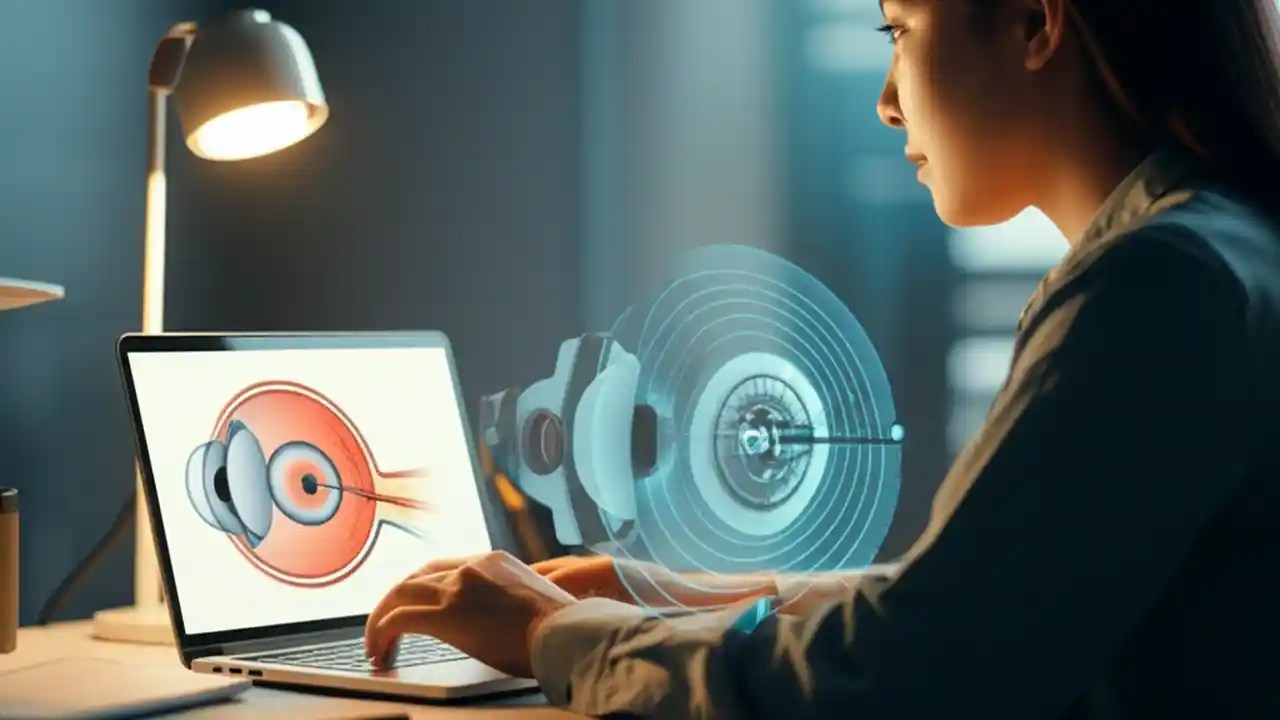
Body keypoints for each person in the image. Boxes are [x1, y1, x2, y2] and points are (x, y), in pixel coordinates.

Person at [364, 0, 1280, 716]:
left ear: (1035, 24)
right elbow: (1007, 601)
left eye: (901, 31)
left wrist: (552, 633)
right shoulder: (1225, 249)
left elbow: (906, 677)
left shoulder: (1159, 285)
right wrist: (693, 595)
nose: (886, 100)